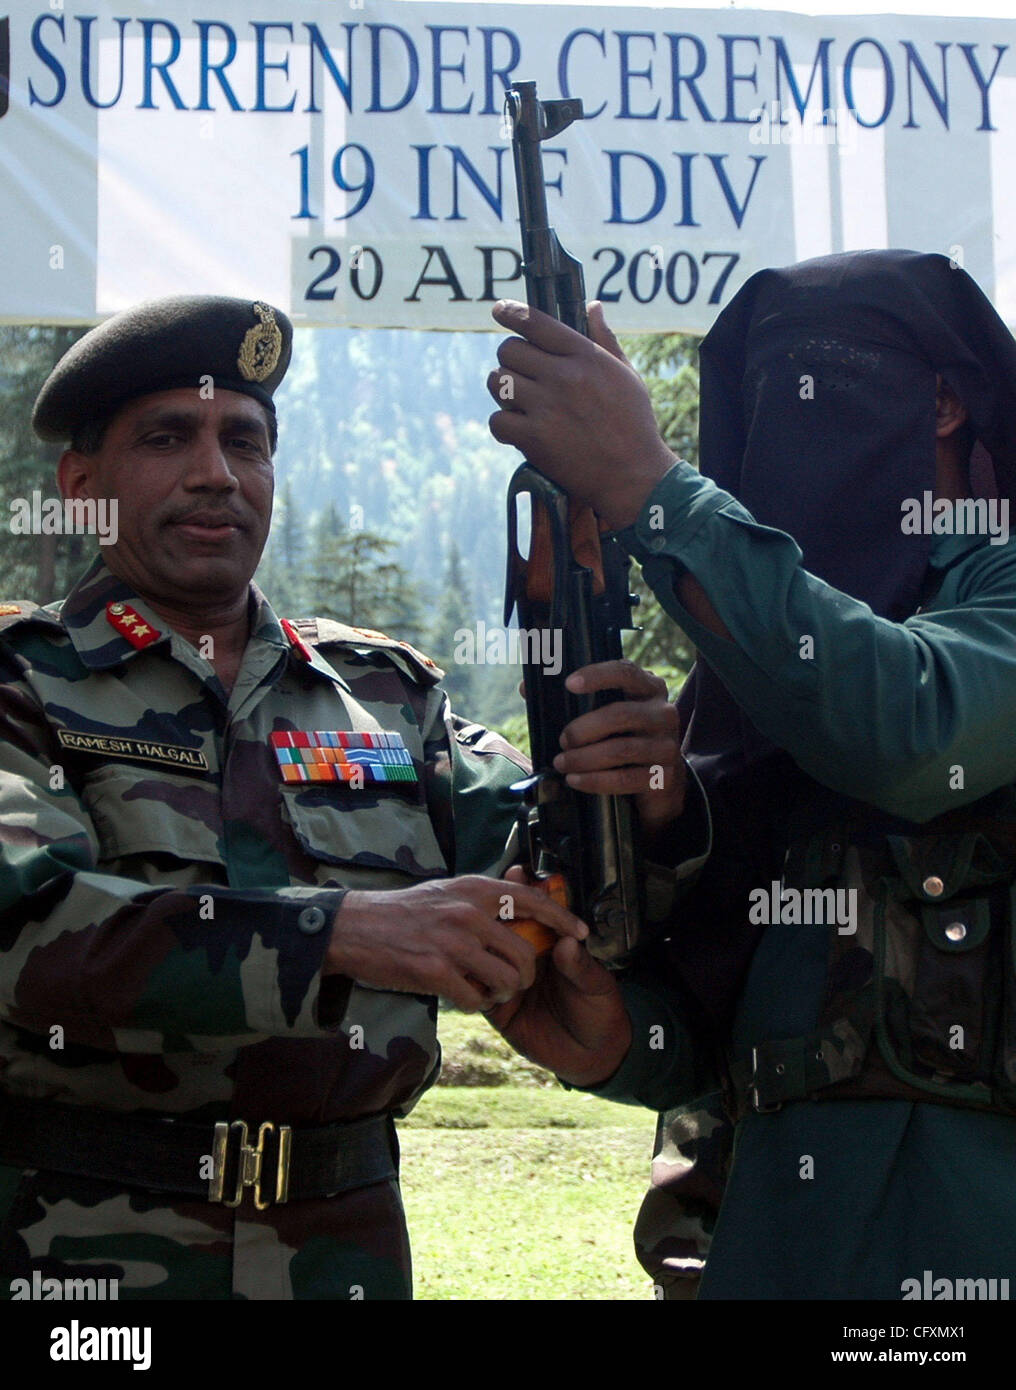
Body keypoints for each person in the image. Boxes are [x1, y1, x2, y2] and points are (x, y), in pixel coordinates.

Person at [0, 295, 689, 1301]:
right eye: (166, 437)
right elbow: (26, 931)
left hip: (346, 1246)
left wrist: (646, 801)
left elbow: (552, 863)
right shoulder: (25, 687)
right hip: (82, 1252)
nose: (215, 473)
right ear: (80, 486)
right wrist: (344, 934)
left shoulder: (388, 697)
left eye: (245, 440)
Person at [485, 250, 1016, 1299]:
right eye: (762, 401)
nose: (790, 428)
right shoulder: (750, 670)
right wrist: (612, 1027)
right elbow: (713, 1033)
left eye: (819, 379)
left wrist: (645, 483)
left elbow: (909, 732)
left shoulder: (977, 598)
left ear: (947, 399)